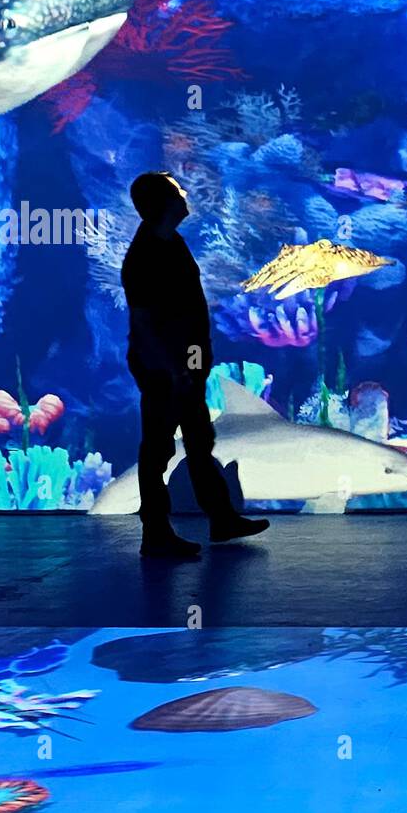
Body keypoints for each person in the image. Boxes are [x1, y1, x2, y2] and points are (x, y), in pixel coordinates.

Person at [121, 172, 268, 558]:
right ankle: (155, 532)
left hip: (186, 365)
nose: (184, 194)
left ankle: (221, 518)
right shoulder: (144, 255)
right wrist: (171, 369)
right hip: (163, 369)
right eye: (176, 191)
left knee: (200, 442)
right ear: (162, 203)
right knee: (157, 450)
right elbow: (143, 323)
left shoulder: (172, 243)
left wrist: (194, 364)